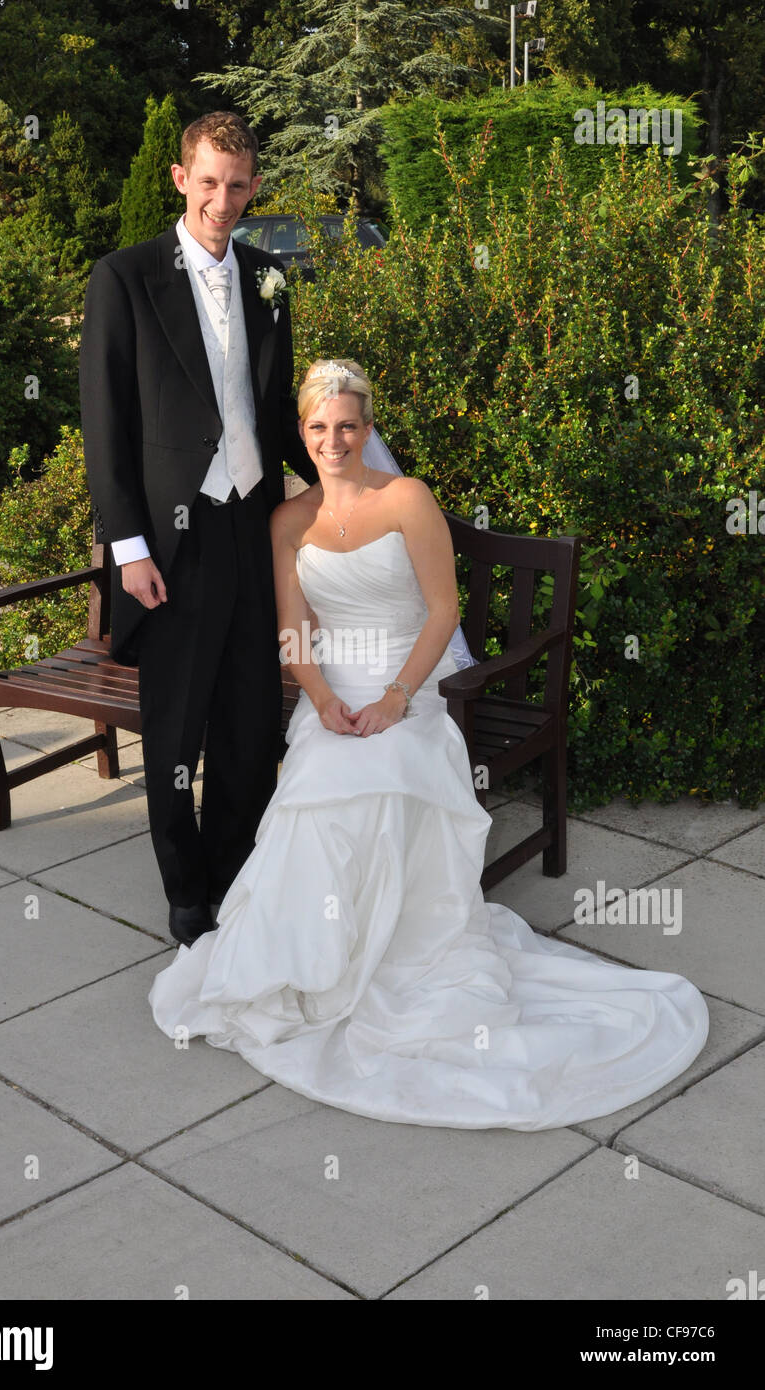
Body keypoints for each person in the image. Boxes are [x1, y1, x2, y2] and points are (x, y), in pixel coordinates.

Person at [148, 358, 710, 1131]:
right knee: (314, 792)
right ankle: (311, 969)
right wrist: (320, 699)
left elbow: (442, 614)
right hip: (333, 696)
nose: (334, 439)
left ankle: (390, 956)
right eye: (318, 427)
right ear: (302, 435)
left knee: (383, 776)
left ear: (367, 428)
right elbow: (294, 631)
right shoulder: (287, 522)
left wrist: (393, 699)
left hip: (407, 690)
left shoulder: (408, 500)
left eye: (348, 425)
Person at [79, 112, 317, 950]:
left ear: (255, 187)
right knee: (176, 728)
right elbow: (104, 427)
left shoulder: (268, 276)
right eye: (209, 181)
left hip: (253, 528)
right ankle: (185, 892)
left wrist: (345, 486)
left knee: (251, 723)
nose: (223, 199)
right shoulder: (124, 277)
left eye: (239, 184)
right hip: (171, 548)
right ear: (181, 178)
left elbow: (278, 413)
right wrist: (130, 549)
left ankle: (233, 871)